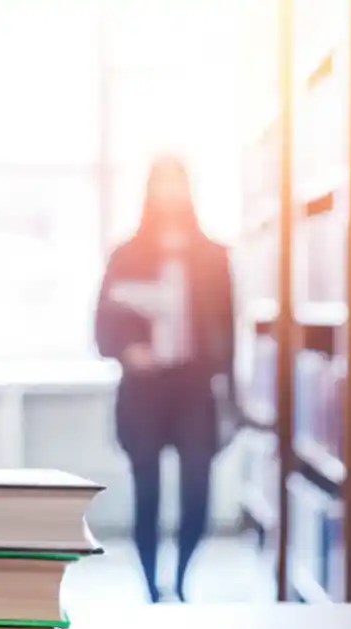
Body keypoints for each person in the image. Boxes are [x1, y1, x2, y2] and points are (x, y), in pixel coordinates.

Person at [94, 156, 235, 603]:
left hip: (195, 387)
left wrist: (232, 393)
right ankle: (152, 586)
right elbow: (101, 326)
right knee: (147, 492)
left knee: (197, 489)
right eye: (162, 183)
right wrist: (129, 351)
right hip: (144, 391)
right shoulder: (125, 255)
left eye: (177, 183)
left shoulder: (213, 257)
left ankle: (184, 578)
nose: (170, 193)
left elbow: (229, 329)